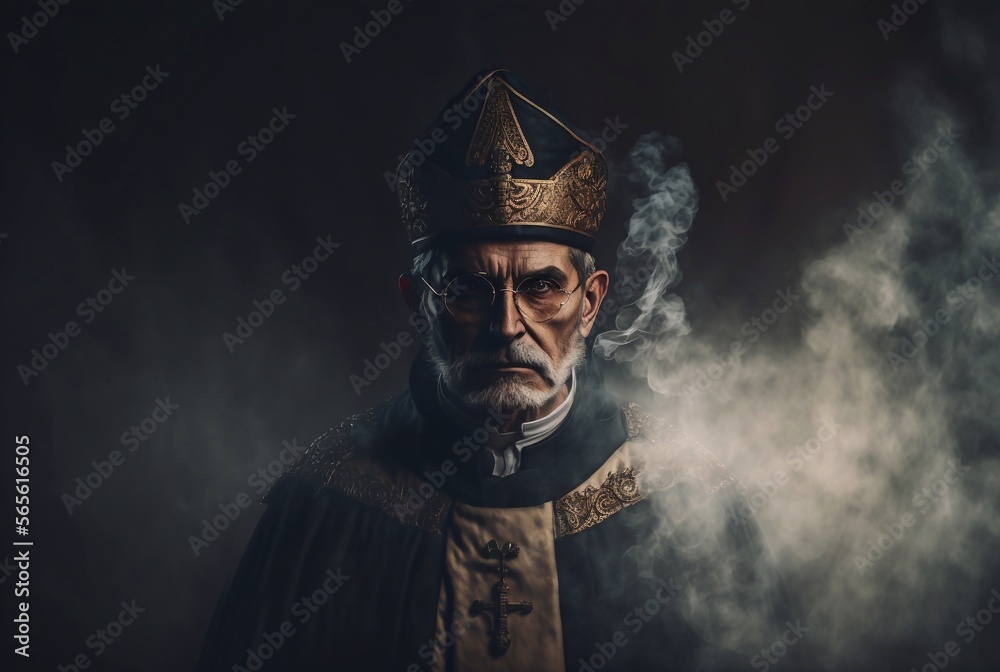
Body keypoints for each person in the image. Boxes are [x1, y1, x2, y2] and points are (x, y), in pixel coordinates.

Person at [198, 69, 804, 672]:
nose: (507, 325)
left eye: (541, 287)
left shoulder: (681, 493)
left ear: (590, 303)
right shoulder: (330, 499)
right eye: (468, 288)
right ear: (419, 303)